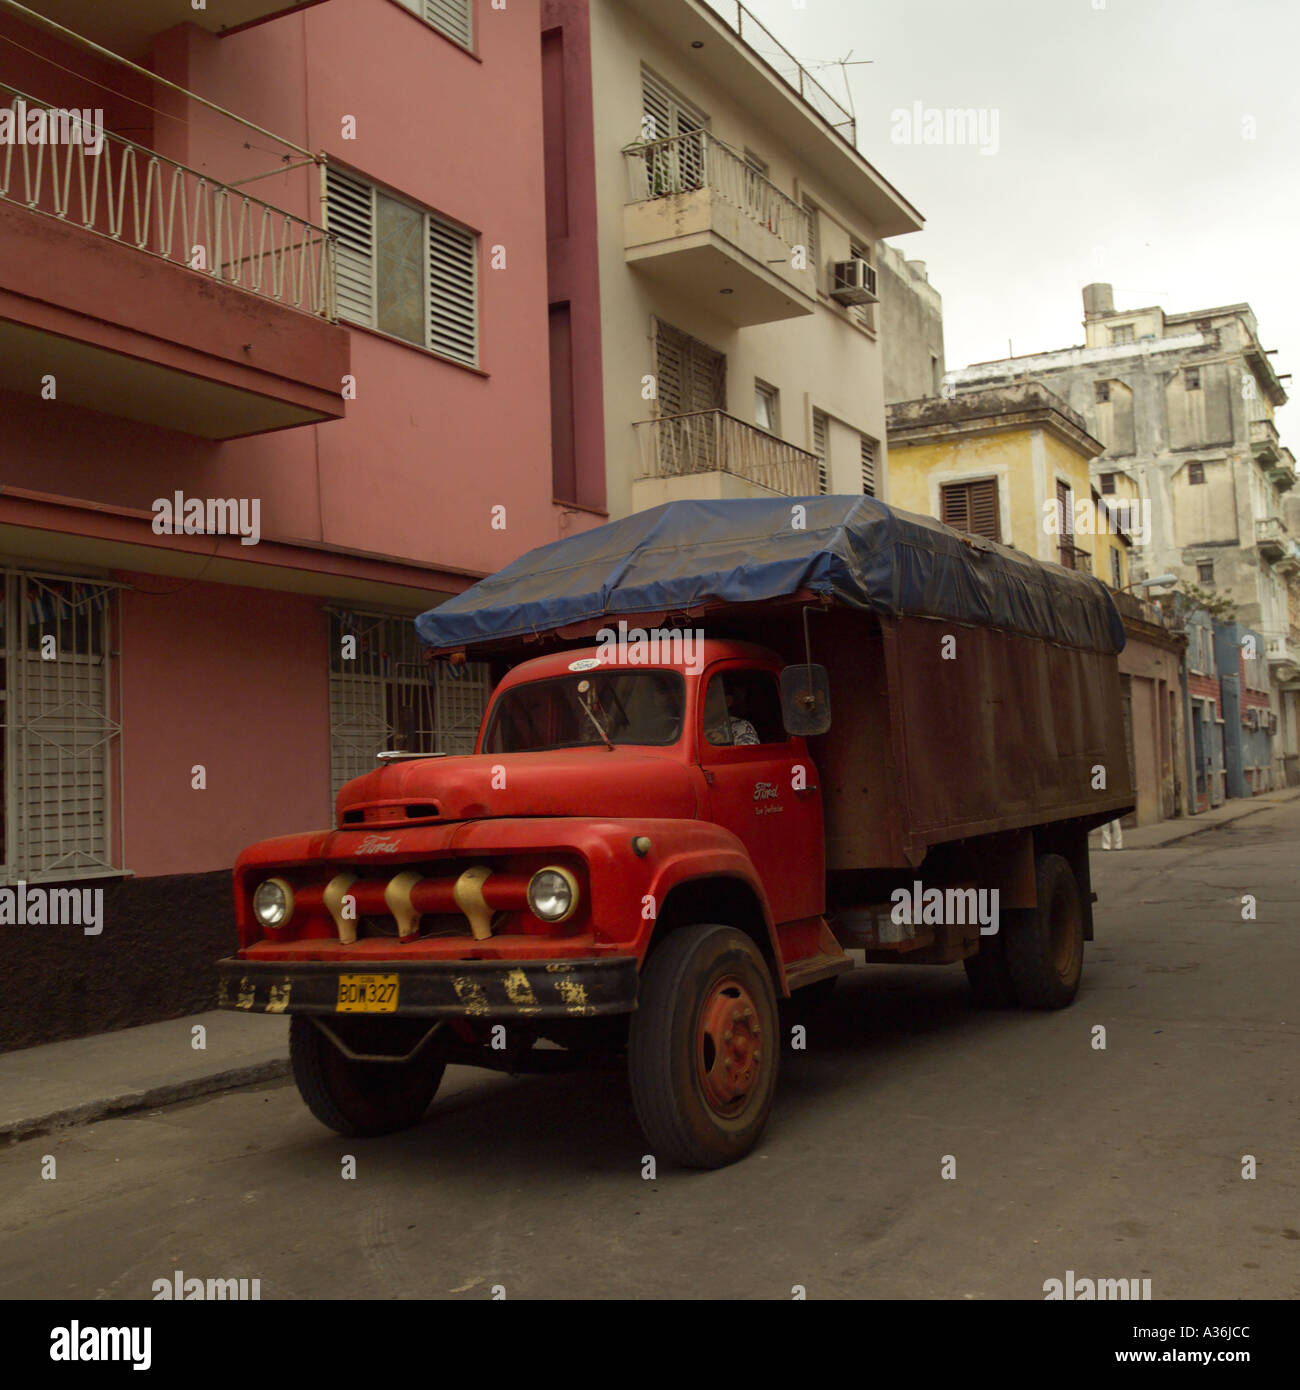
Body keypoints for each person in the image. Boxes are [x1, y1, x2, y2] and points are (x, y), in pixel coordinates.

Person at [703, 678, 759, 746]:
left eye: (711, 697)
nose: (704, 702)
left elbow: (749, 755)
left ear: (727, 701)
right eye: (702, 696)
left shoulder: (740, 727)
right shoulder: (691, 726)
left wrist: (724, 745)